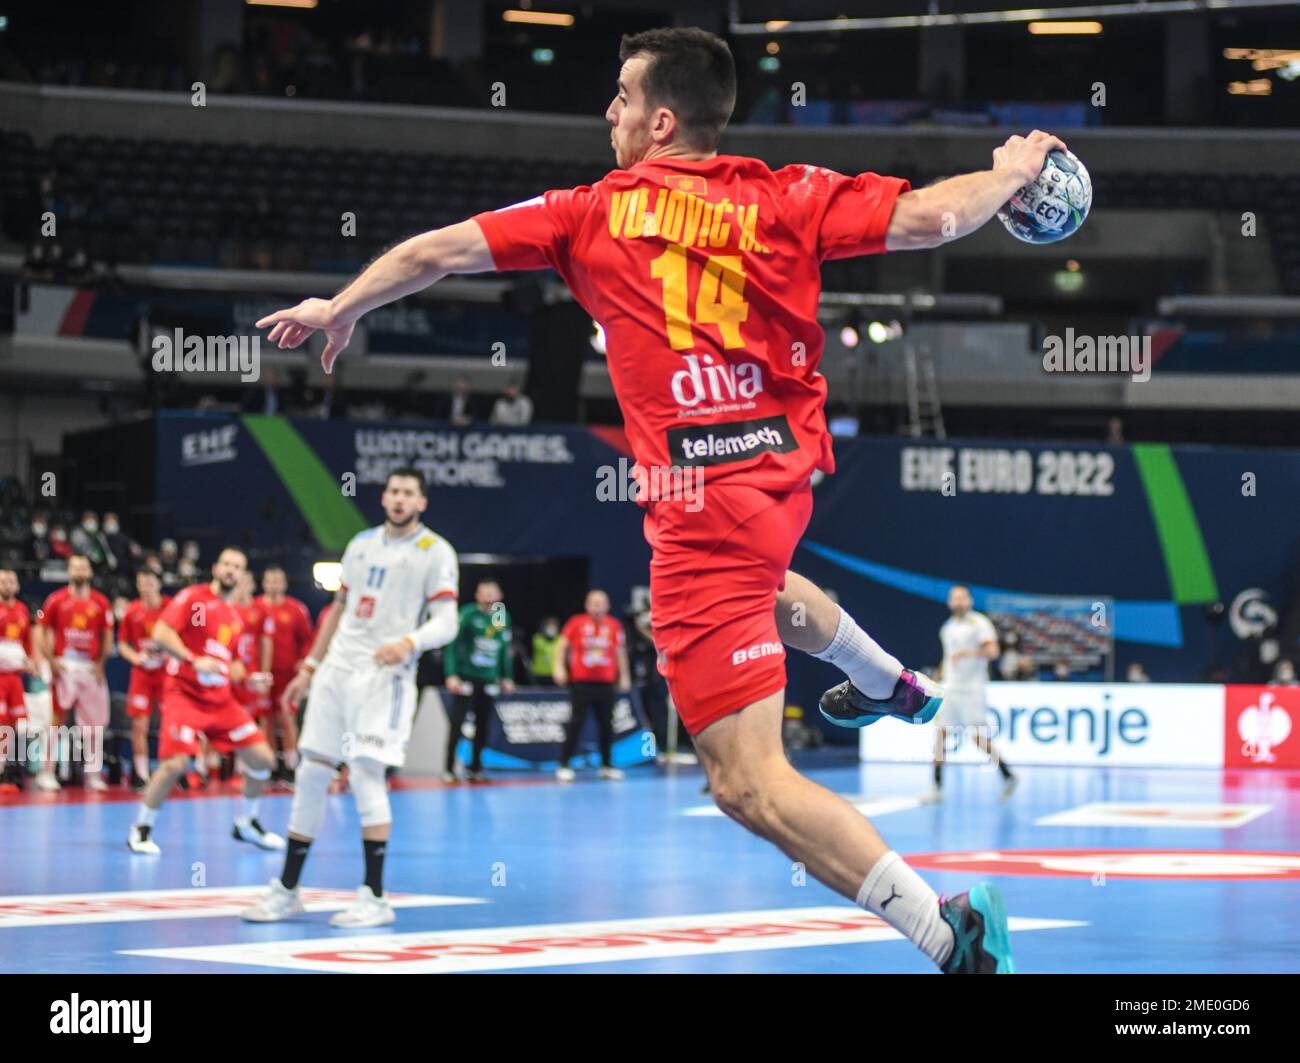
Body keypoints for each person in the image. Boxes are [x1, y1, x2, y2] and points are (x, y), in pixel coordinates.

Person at [251, 26, 1070, 972]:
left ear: (661, 119)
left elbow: (437, 251)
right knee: (766, 590)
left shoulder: (585, 213)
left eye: (621, 96)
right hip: (783, 479)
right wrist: (1010, 172)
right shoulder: (784, 193)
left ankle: (949, 928)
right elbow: (934, 219)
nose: (609, 111)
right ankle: (889, 680)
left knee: (747, 784)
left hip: (699, 510)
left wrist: (341, 306)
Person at [241, 468, 459, 929]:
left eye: (409, 493)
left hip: (385, 675)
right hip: (337, 671)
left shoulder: (435, 552)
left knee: (364, 774)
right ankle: (287, 890)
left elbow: (447, 622)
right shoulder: (360, 544)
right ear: (384, 498)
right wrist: (309, 668)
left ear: (422, 502)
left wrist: (410, 643)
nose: (399, 499)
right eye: (394, 491)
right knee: (311, 773)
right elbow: (337, 610)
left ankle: (375, 897)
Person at [127, 547, 284, 855]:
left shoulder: (235, 619)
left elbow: (235, 664)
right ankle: (141, 829)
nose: (230, 570)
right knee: (176, 762)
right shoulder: (193, 598)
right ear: (215, 567)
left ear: (242, 576)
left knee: (263, 759)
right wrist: (192, 658)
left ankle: (247, 824)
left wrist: (248, 678)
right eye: (226, 563)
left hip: (220, 701)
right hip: (183, 693)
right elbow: (161, 632)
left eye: (237, 566)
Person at [923, 585, 1016, 804]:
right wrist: (938, 677)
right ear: (949, 602)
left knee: (977, 737)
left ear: (970, 601)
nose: (958, 602)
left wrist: (969, 653)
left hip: (972, 689)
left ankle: (1008, 776)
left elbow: (993, 652)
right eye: (954, 598)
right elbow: (947, 658)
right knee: (940, 734)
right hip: (951, 688)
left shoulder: (979, 623)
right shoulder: (946, 628)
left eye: (962, 598)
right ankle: (936, 787)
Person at [37, 555, 114, 792]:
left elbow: (108, 635)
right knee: (57, 720)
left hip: (90, 668)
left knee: (94, 726)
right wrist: (50, 661)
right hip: (65, 666)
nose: (80, 570)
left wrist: (101, 663)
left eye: (83, 567)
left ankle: (93, 775)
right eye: (75, 567)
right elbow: (41, 630)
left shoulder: (101, 602)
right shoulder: (55, 600)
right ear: (69, 571)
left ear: (90, 572)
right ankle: (46, 772)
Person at [554, 589, 632, 781]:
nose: (597, 607)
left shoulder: (614, 626)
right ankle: (564, 764)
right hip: (581, 682)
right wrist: (559, 668)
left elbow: (619, 652)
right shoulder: (576, 622)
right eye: (594, 603)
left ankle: (606, 765)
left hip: (606, 683)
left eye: (601, 603)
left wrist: (624, 677)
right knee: (576, 723)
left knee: (607, 724)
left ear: (608, 606)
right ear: (587, 605)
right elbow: (561, 645)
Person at [442, 579, 515, 783]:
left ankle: (476, 769)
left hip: (488, 679)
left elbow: (503, 648)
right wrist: (452, 674)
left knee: (483, 725)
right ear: (477, 595)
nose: (489, 597)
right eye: (485, 592)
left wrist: (506, 676)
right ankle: (449, 769)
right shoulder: (467, 614)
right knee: (457, 724)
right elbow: (452, 647)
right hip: (466, 677)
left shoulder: (500, 615)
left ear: (499, 596)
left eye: (493, 593)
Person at [255, 564, 312, 780]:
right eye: (270, 581)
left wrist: (302, 663)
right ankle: (270, 766)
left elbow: (308, 641)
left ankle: (292, 766)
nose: (273, 586)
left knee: (286, 719)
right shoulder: (256, 607)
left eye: (277, 581)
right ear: (263, 583)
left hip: (287, 676)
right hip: (262, 677)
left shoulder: (296, 609)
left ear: (285, 584)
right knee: (265, 721)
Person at [117, 569, 172, 789]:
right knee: (140, 724)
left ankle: (170, 771)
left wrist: (168, 654)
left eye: (150, 582)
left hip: (166, 673)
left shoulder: (171, 607)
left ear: (158, 584)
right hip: (142, 674)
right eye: (141, 583)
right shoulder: (132, 611)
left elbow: (184, 634)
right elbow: (122, 644)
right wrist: (137, 658)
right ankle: (141, 773)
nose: (146, 588)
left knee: (171, 722)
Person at [0, 569, 38, 791]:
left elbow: (26, 644)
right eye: (3, 581)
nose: (7, 585)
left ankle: (7, 770)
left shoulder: (23, 610)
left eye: (11, 581)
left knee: (14, 726)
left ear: (17, 586)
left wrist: (31, 662)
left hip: (15, 678)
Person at [530, 616, 561, 685]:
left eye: (553, 626)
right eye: (549, 626)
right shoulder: (537, 638)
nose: (551, 628)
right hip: (539, 674)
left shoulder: (561, 640)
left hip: (555, 674)